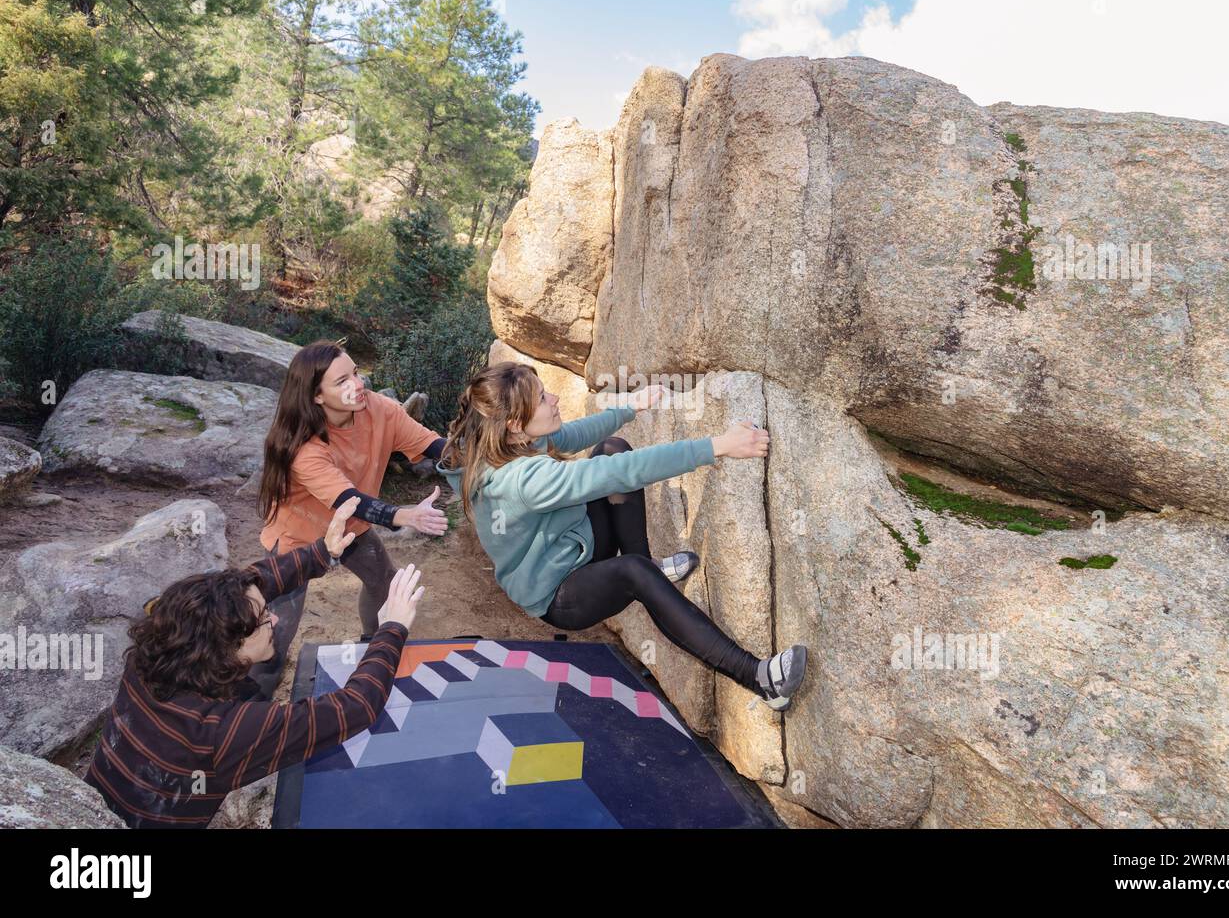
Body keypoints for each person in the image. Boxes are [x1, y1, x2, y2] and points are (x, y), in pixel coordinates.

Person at [435, 362, 807, 710]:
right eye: (544, 397)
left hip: (571, 548)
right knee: (633, 571)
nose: (554, 399)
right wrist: (718, 446)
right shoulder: (522, 481)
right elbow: (625, 473)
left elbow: (570, 435)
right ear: (516, 423)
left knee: (612, 448)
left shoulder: (500, 440)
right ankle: (760, 679)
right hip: (558, 594)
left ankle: (648, 567)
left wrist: (629, 407)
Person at [84, 498, 427, 828]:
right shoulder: (224, 733)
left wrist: (321, 552)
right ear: (229, 649)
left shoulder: (153, 653)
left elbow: (251, 585)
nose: (275, 621)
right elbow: (355, 707)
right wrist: (391, 629)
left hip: (93, 806)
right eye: (265, 620)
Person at [254, 339, 448, 698]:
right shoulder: (303, 447)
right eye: (342, 381)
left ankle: (373, 649)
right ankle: (250, 705)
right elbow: (350, 501)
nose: (357, 385)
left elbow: (434, 447)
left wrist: (478, 456)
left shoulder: (379, 410)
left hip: (352, 531)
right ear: (316, 395)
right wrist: (405, 516)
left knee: (384, 583)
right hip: (299, 541)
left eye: (356, 374)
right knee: (273, 632)